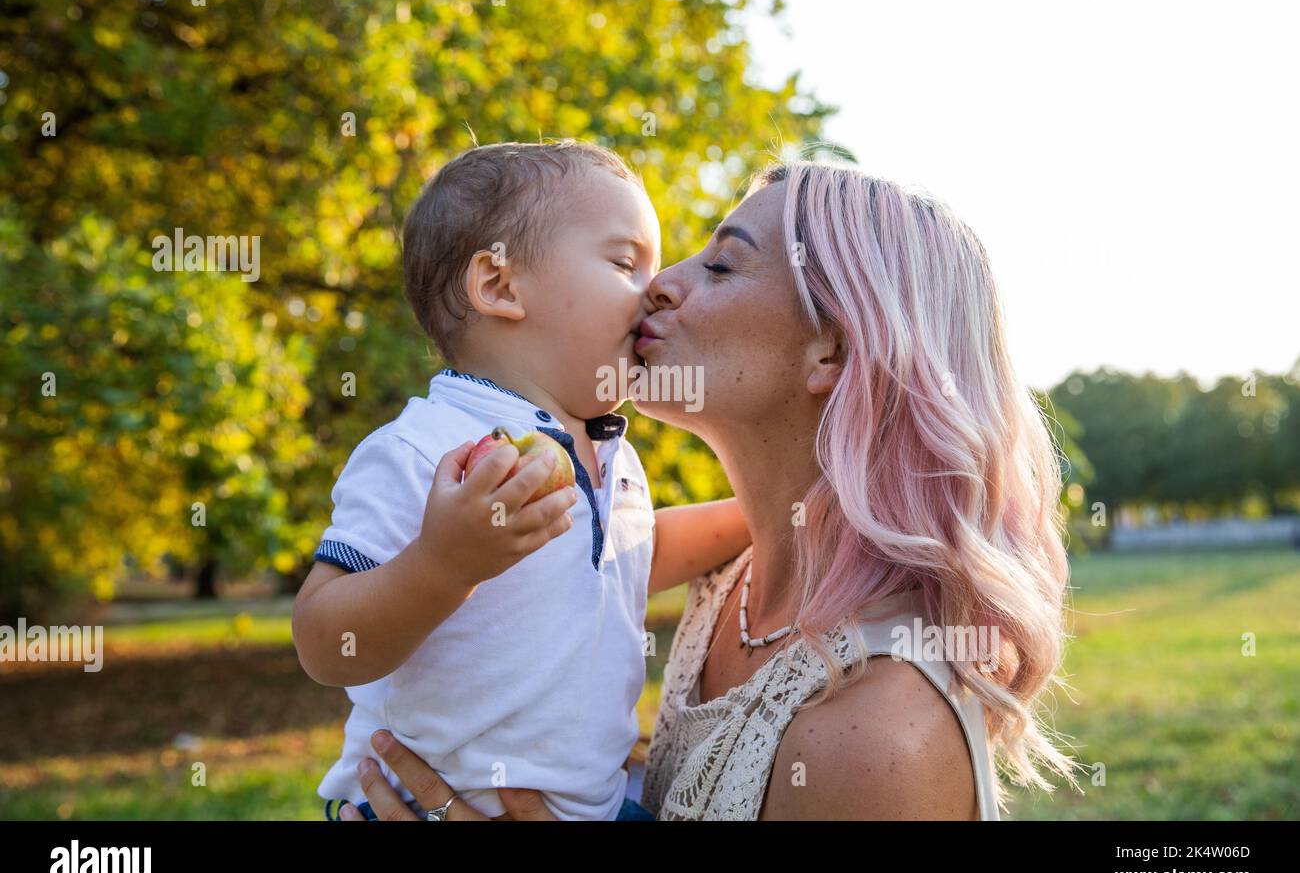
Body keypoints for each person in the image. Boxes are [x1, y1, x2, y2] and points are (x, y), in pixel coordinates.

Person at [342, 158, 1082, 820]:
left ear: (831, 350)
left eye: (721, 266)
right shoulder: (730, 586)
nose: (658, 286)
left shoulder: (877, 730)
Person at [292, 140, 749, 822]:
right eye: (625, 262)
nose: (654, 289)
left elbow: (632, 557)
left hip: (594, 804)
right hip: (421, 806)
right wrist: (442, 566)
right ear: (501, 285)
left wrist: (772, 513)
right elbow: (324, 641)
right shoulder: (424, 448)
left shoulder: (613, 456)